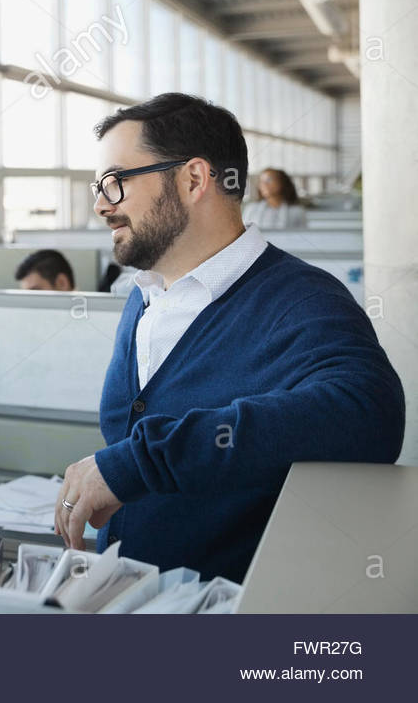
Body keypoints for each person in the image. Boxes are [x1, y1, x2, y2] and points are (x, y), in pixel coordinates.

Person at [53, 93, 404, 581]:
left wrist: (141, 462)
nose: (100, 205)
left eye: (115, 183)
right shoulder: (144, 296)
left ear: (194, 179)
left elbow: (370, 413)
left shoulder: (300, 300)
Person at [243, 167, 308, 229]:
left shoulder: (297, 211)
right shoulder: (251, 209)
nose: (263, 184)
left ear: (281, 183)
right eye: (261, 181)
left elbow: (302, 236)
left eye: (269, 180)